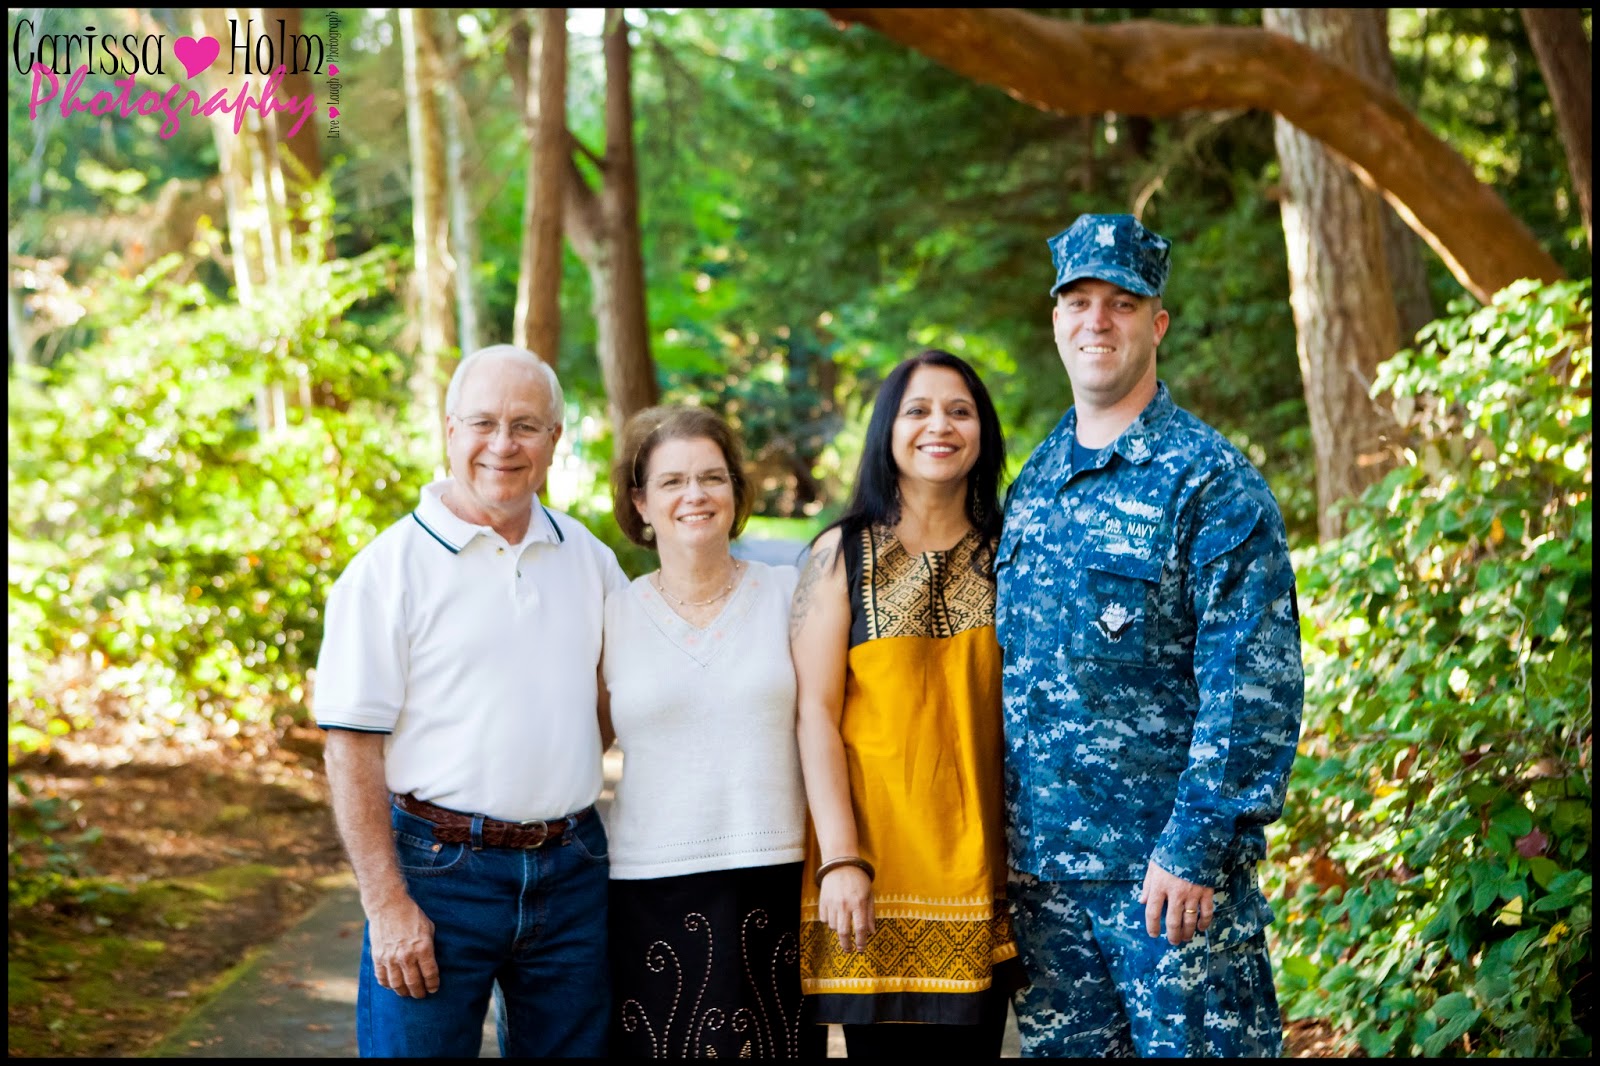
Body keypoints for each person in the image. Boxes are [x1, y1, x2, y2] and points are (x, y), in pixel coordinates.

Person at [996, 213, 1305, 1057]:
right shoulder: (1034, 484)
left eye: (1122, 302)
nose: (1098, 320)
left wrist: (1195, 848)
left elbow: (1254, 686)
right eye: (1079, 301)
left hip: (1168, 889)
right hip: (1046, 891)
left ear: (1156, 322)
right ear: (1056, 319)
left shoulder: (1210, 482)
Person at [313, 344, 628, 1057]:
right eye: (482, 422)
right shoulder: (386, 571)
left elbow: (606, 703)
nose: (502, 444)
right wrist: (387, 903)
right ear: (449, 431)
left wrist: (550, 766)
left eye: (525, 425)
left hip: (572, 869)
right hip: (435, 873)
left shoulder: (589, 559)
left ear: (554, 439)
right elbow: (350, 747)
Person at [789, 349, 1022, 1058]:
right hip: (877, 875)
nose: (939, 425)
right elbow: (815, 717)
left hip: (986, 875)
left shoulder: (1013, 552)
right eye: (917, 410)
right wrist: (841, 860)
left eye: (959, 410)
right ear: (888, 430)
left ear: (982, 430)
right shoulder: (840, 554)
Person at [601, 405, 825, 1059]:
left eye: (711, 477)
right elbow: (576, 742)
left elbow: (831, 723)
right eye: (671, 482)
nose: (694, 495)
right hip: (649, 888)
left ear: (736, 492)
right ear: (640, 502)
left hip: (776, 878)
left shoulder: (791, 593)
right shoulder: (613, 612)